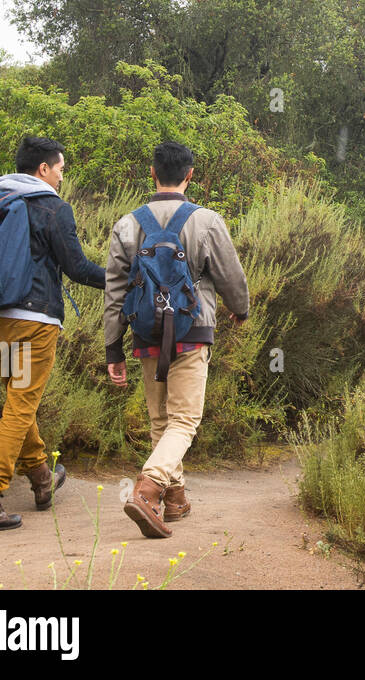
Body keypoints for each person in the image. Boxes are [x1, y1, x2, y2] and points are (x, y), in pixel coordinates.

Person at [0, 136, 106, 532]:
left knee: (17, 402)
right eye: (60, 168)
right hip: (37, 322)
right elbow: (78, 268)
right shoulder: (52, 207)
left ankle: (42, 478)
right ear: (44, 168)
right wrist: (124, 278)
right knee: (20, 409)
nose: (62, 176)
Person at [103, 141, 249, 538]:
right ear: (190, 176)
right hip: (192, 330)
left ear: (152, 173)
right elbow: (230, 276)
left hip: (146, 332)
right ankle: (148, 489)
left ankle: (175, 498)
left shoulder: (126, 224)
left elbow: (114, 292)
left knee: (161, 420)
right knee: (184, 421)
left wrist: (113, 347)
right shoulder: (206, 221)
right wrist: (240, 308)